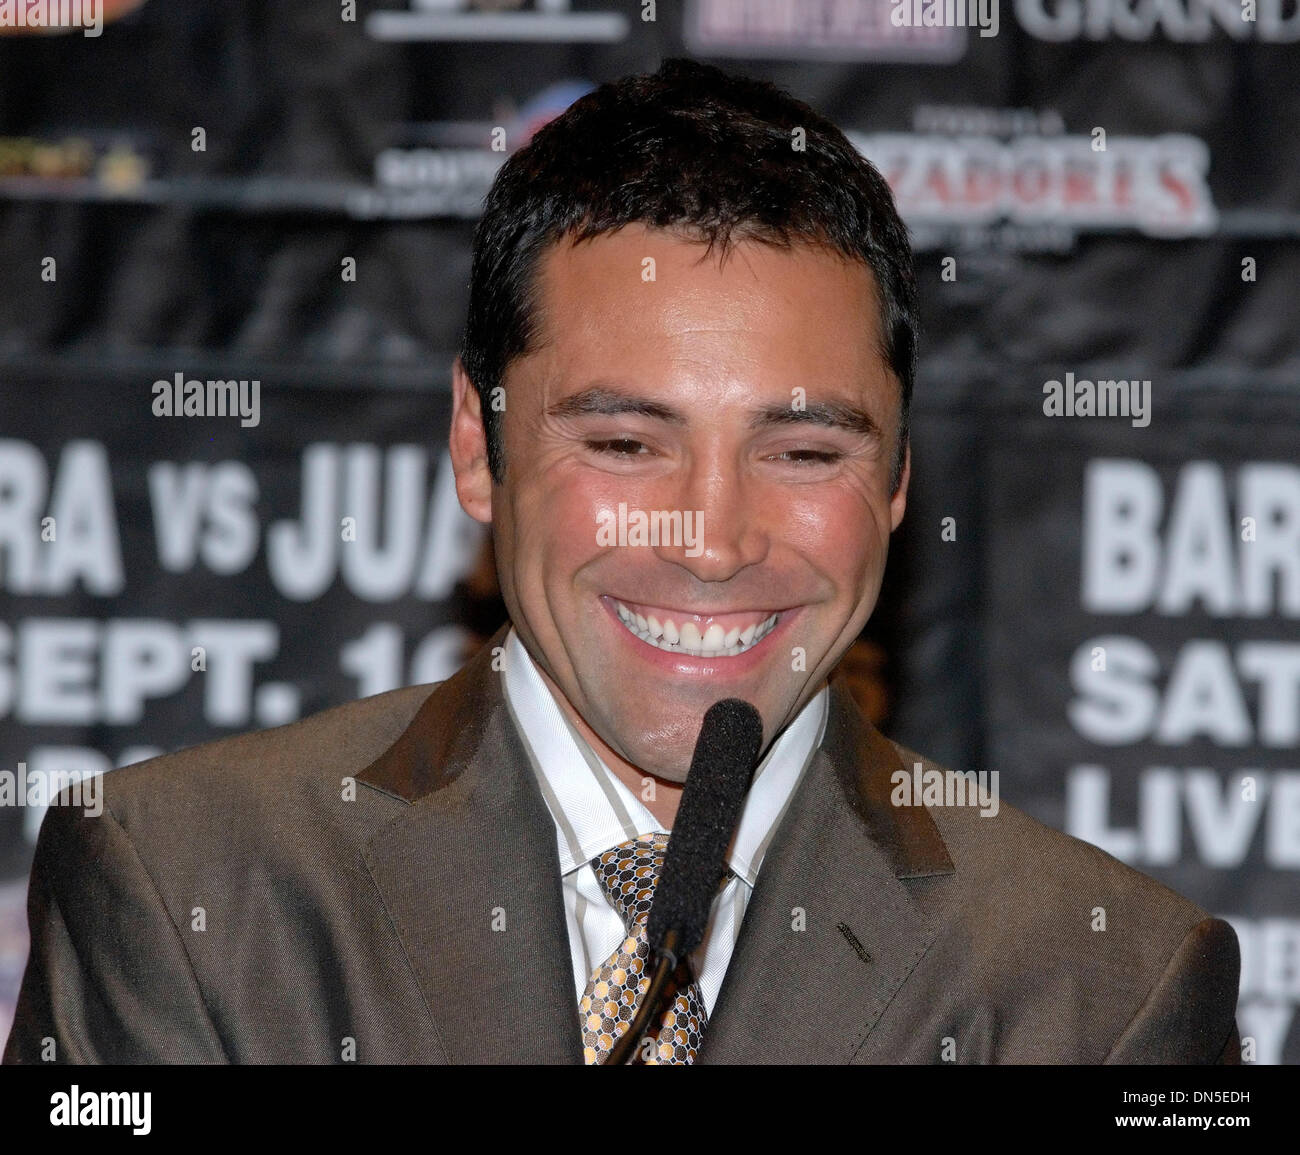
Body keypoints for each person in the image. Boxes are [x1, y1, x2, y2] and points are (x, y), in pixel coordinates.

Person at [4, 59, 1240, 1065]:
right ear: (475, 447)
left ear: (901, 476)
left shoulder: (1105, 989)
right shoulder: (185, 894)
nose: (711, 540)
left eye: (805, 452)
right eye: (624, 441)